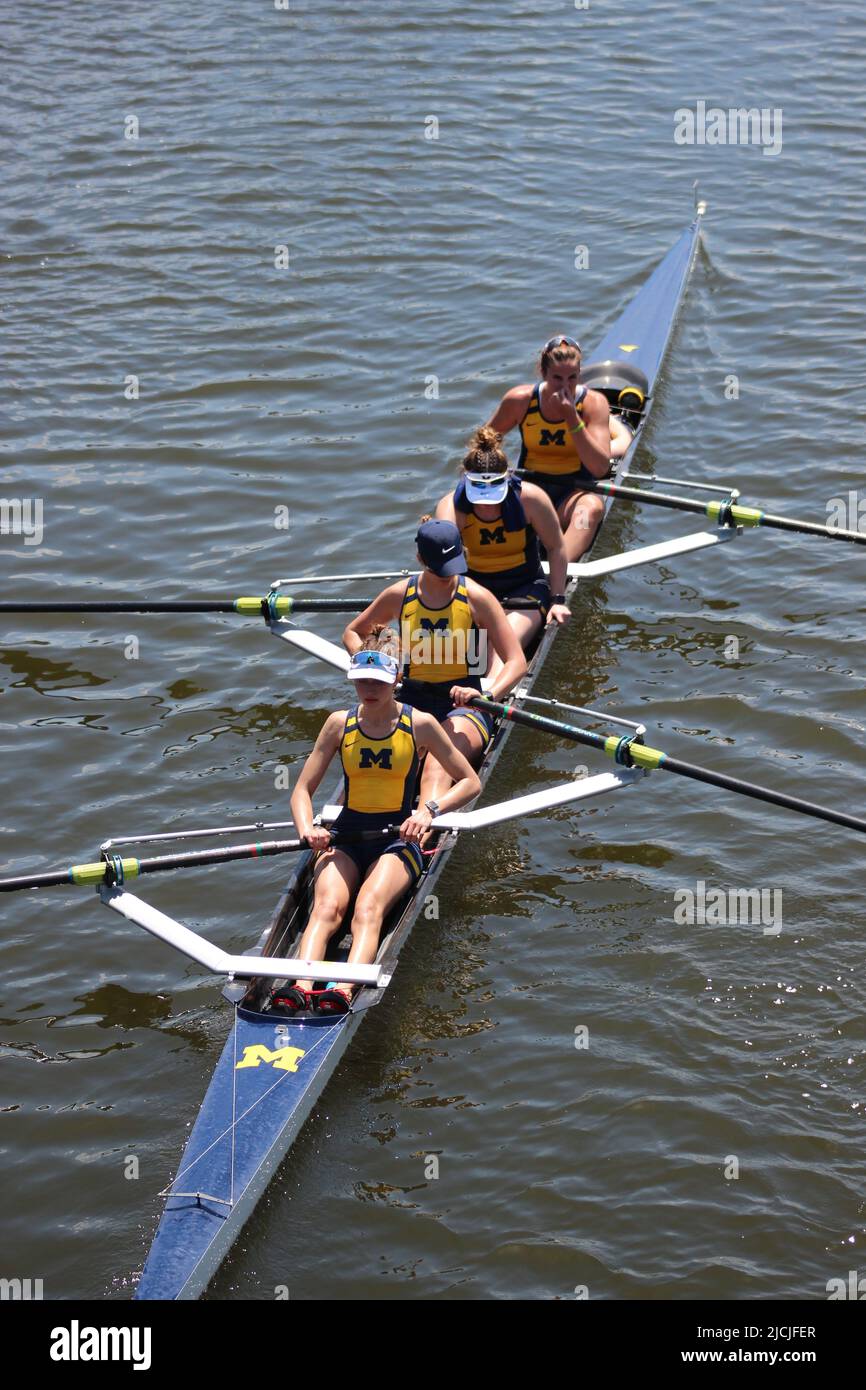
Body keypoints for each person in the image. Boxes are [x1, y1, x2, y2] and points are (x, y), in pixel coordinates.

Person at [285, 634, 480, 1015]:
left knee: (368, 908)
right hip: (346, 835)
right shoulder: (338, 724)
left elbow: (471, 781)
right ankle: (299, 987)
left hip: (397, 839)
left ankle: (342, 991)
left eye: (376, 681)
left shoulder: (419, 724)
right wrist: (308, 829)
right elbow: (301, 791)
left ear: (396, 680)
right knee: (325, 908)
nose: (368, 689)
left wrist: (428, 811)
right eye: (361, 679)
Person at [342, 518, 526, 816]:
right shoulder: (400, 595)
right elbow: (353, 632)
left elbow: (517, 662)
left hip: (466, 705)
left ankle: (423, 830)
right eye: (441, 570)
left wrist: (489, 697)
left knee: (436, 767)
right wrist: (371, 661)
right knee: (387, 767)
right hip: (412, 700)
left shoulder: (477, 597)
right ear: (420, 560)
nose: (448, 576)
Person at [433, 424, 570, 680]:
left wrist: (558, 599)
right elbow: (442, 565)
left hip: (525, 587)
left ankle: (488, 702)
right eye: (480, 496)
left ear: (507, 479)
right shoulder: (451, 508)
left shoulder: (531, 499)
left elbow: (556, 547)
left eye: (493, 495)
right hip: (474, 590)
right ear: (465, 479)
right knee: (447, 650)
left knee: (503, 638)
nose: (486, 506)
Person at [486, 334, 633, 562]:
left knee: (591, 509)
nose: (565, 387)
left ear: (580, 374)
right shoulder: (520, 400)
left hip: (572, 494)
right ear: (542, 373)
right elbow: (484, 443)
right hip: (530, 493)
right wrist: (494, 470)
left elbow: (599, 467)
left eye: (572, 378)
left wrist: (572, 419)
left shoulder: (594, 404)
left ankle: (557, 570)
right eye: (557, 378)